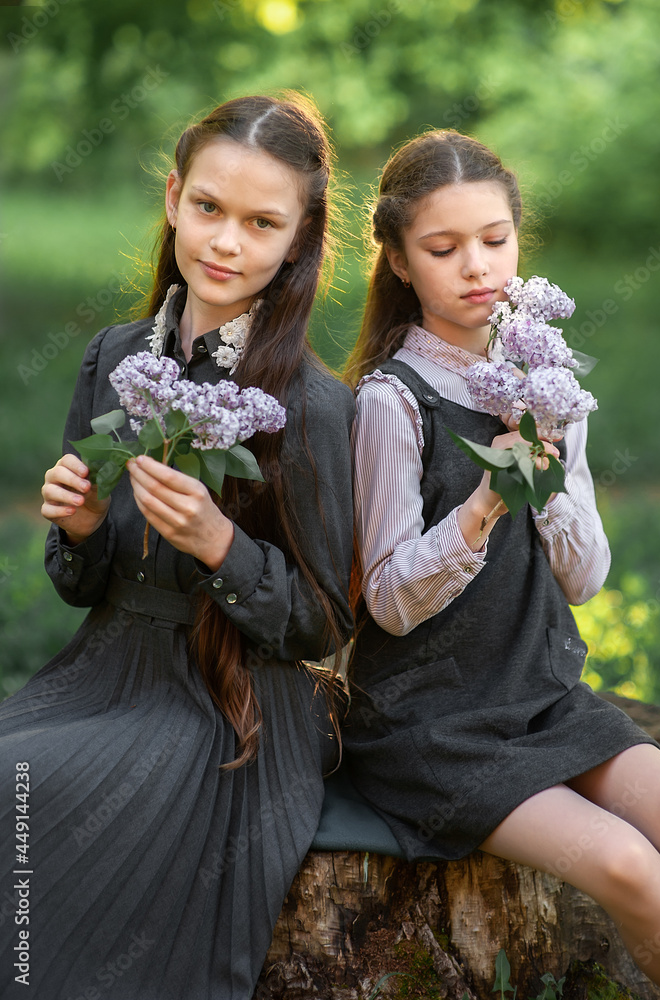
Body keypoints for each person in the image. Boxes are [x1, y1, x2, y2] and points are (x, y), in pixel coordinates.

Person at [0, 93, 354, 1000]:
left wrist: (221, 544)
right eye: (209, 207)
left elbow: (321, 625)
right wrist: (77, 531)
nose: (226, 242)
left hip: (227, 708)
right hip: (105, 671)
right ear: (171, 199)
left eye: (261, 222)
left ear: (299, 238)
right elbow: (83, 587)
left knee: (20, 791)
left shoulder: (306, 404)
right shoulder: (117, 358)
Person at [342, 129, 660, 988]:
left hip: (542, 695)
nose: (476, 267)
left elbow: (584, 581)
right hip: (432, 723)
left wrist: (548, 469)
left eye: (496, 240)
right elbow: (385, 601)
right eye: (443, 248)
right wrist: (488, 500)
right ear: (401, 260)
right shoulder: (391, 400)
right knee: (632, 869)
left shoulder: (547, 384)